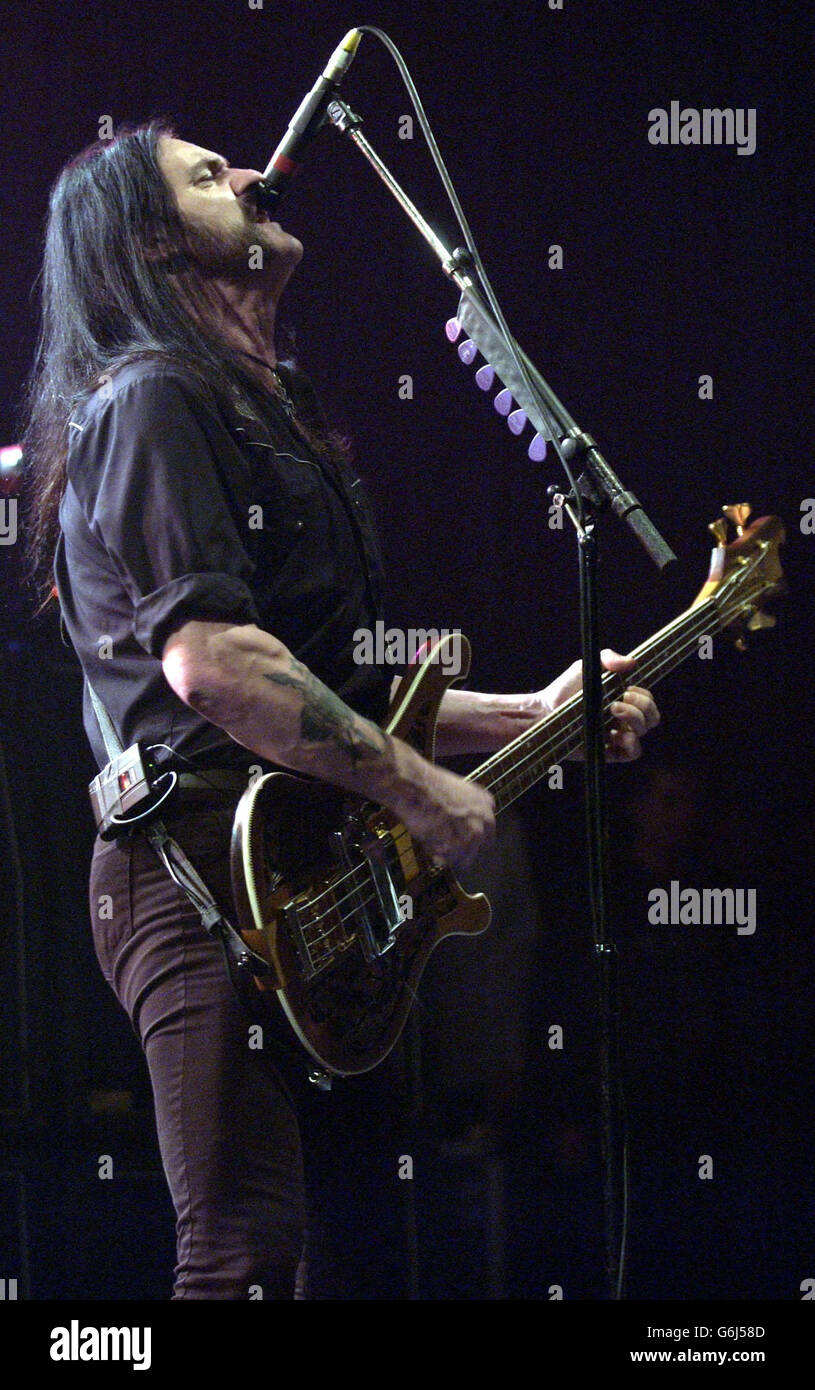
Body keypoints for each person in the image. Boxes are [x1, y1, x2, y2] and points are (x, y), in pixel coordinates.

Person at [21, 119, 660, 1299]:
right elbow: (213, 666)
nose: (255, 175)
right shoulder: (154, 397)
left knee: (356, 1246)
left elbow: (329, 694)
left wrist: (534, 710)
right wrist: (417, 784)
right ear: (152, 245)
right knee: (241, 1253)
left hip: (315, 862)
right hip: (201, 865)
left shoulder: (270, 409)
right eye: (208, 177)